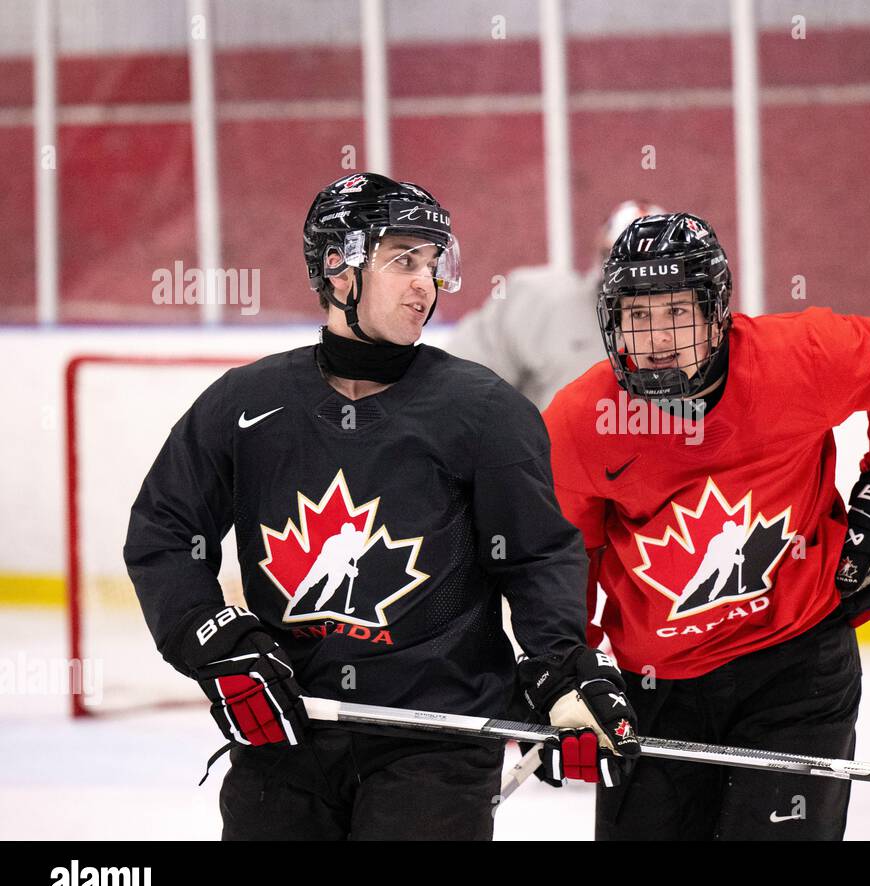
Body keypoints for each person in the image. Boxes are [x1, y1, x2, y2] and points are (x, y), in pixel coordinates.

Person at [123, 172, 637, 841]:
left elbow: (538, 557)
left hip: (436, 745)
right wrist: (212, 636)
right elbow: (164, 531)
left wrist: (561, 669)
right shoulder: (245, 405)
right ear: (337, 267)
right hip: (288, 735)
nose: (425, 283)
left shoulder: (483, 412)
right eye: (403, 261)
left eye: (433, 263)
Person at [542, 212, 870, 840]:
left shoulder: (801, 360)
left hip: (795, 668)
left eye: (676, 312)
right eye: (636, 317)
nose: (657, 339)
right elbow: (568, 559)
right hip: (658, 688)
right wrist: (567, 669)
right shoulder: (579, 421)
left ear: (717, 311)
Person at [442, 200, 664, 410]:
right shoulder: (541, 300)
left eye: (648, 261)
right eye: (622, 257)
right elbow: (459, 383)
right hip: (544, 447)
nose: (634, 273)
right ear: (602, 251)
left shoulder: (686, 327)